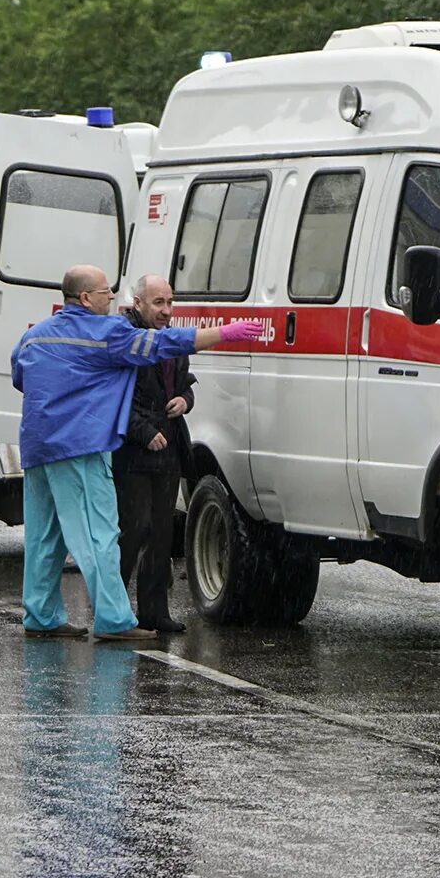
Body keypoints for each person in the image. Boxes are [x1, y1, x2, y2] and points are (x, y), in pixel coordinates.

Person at [13, 264, 261, 642]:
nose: (111, 297)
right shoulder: (108, 333)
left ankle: (41, 614)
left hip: (36, 445)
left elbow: (20, 376)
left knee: (45, 535)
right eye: (104, 292)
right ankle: (114, 619)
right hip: (78, 444)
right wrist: (225, 333)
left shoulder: (34, 335)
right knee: (99, 533)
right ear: (84, 298)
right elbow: (163, 343)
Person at [113, 275, 195, 633]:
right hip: (133, 452)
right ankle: (113, 610)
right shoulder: (122, 338)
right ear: (138, 303)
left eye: (170, 302)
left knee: (162, 533)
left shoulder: (173, 340)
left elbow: (185, 384)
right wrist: (144, 432)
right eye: (159, 303)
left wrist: (186, 401)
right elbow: (114, 398)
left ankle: (154, 612)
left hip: (170, 448)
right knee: (132, 531)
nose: (166, 310)